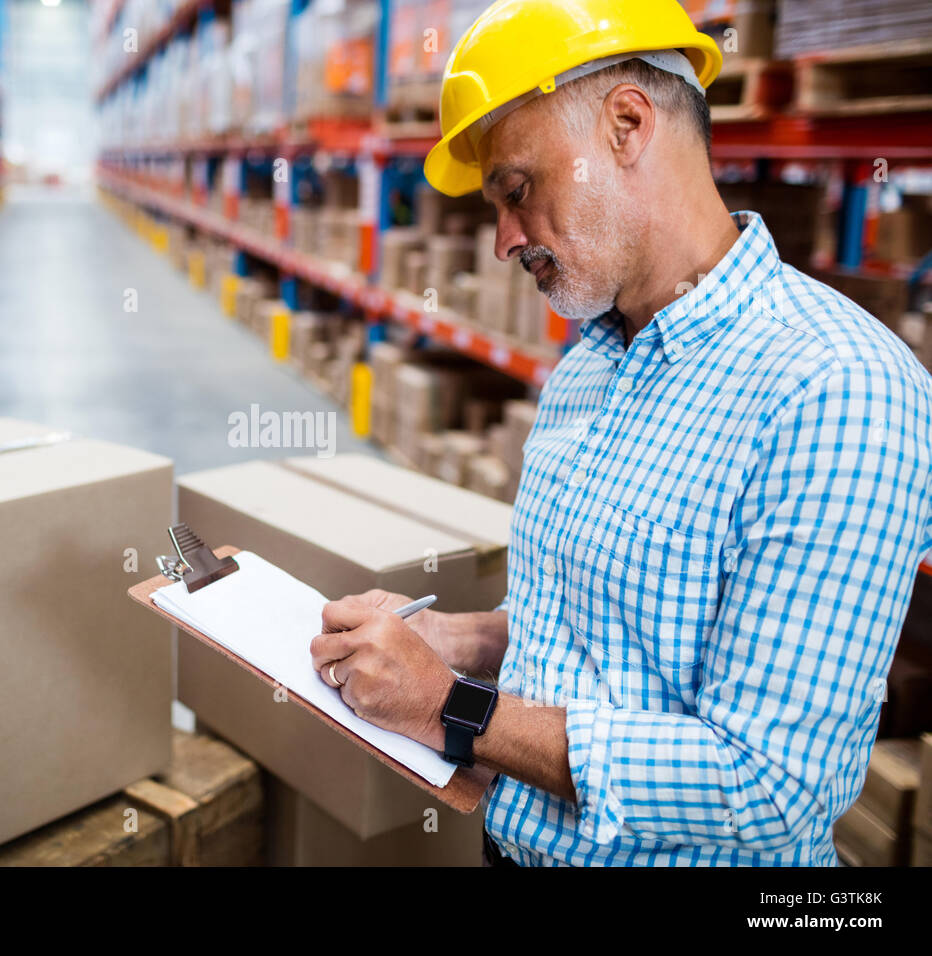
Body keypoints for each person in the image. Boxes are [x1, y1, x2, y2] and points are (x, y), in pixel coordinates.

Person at [310, 0, 932, 866]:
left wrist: (451, 708)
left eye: (516, 191)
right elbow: (591, 640)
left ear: (628, 124)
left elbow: (770, 786)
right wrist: (453, 643)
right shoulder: (591, 364)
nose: (502, 241)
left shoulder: (837, 390)